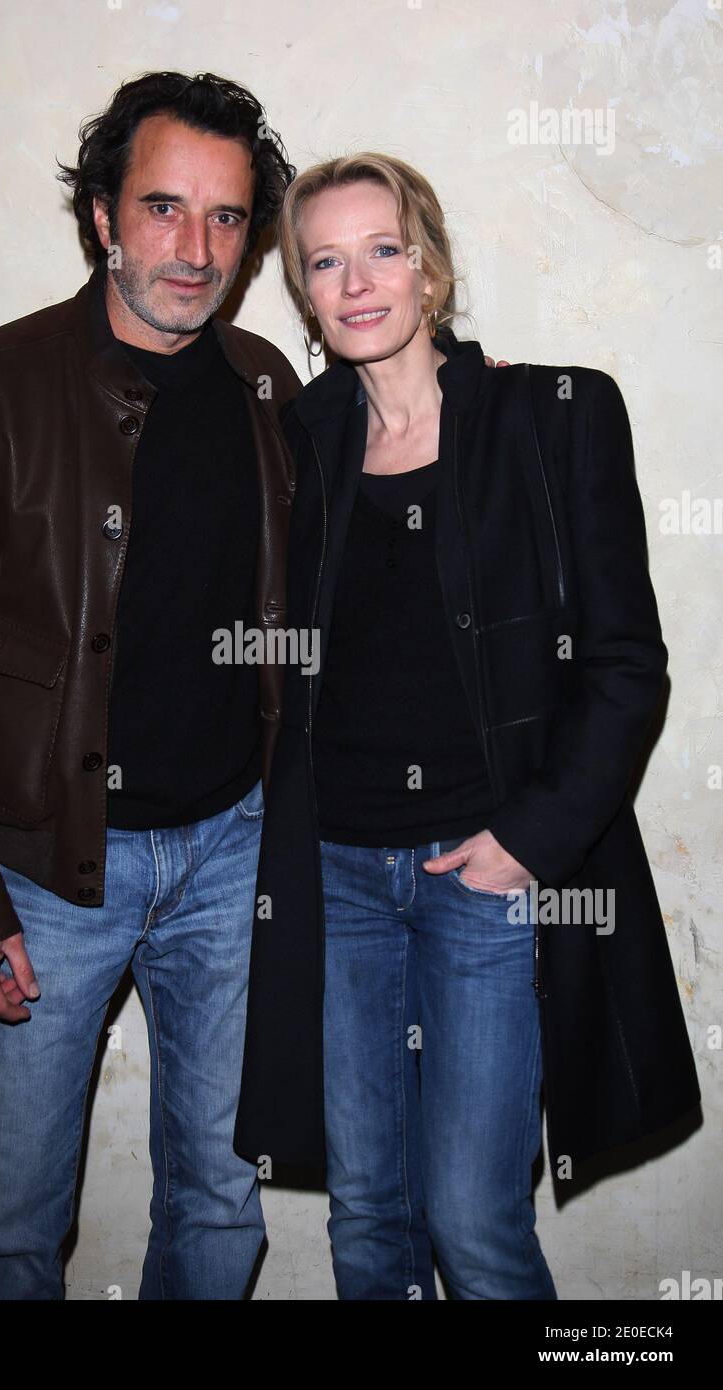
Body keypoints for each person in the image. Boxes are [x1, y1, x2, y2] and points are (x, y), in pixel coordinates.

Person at [233, 153, 701, 1300]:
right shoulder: (301, 443)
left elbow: (623, 665)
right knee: (367, 1224)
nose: (355, 283)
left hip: (481, 877)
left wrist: (531, 842)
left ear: (428, 269)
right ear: (299, 287)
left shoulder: (554, 417)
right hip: (336, 875)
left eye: (381, 250)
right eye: (324, 261)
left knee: (471, 1222)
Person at [0, 70, 303, 1300]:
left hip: (233, 857)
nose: (195, 247)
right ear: (103, 217)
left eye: (226, 218)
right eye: (163, 208)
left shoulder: (270, 386)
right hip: (45, 873)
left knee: (220, 1202)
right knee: (9, 1226)